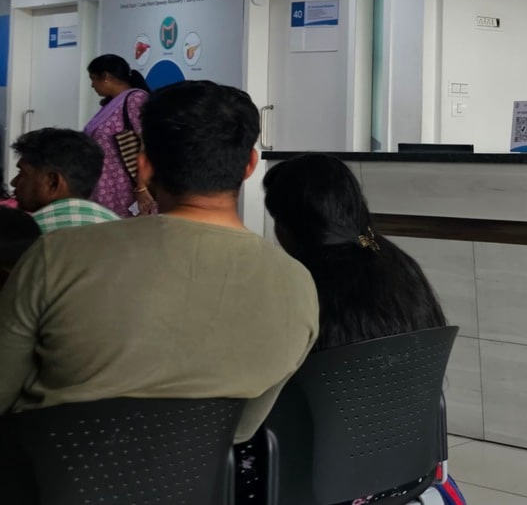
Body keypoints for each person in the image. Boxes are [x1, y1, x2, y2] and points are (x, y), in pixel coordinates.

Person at [0, 81, 318, 444]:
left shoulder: (56, 255)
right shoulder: (298, 284)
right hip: (199, 475)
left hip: (49, 469)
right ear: (250, 165)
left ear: (145, 167)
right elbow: (242, 430)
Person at [243, 153, 463, 504]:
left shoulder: (295, 286)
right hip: (408, 474)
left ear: (290, 226)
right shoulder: (401, 267)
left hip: (312, 485)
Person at [82, 54, 152, 217]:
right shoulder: (112, 103)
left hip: (125, 187)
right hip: (106, 184)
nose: (92, 85)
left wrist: (141, 186)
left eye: (93, 79)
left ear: (106, 77)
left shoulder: (136, 99)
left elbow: (148, 144)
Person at [10, 128, 117, 233]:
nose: (13, 182)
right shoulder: (117, 226)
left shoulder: (25, 235)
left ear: (53, 183)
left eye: (22, 173)